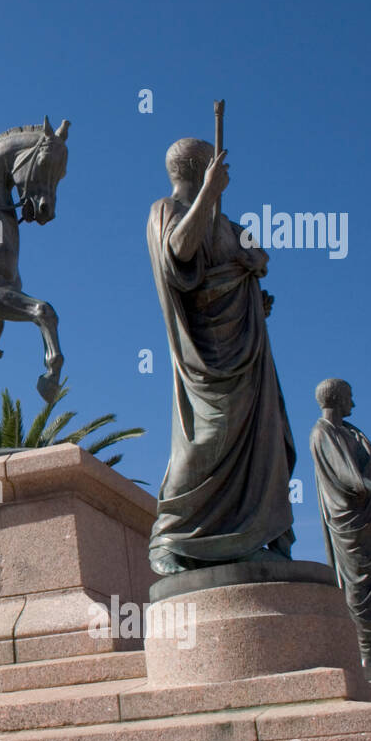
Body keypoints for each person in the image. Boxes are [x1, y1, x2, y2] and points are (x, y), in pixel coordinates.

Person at [146, 137, 296, 575]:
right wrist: (208, 194)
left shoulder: (229, 223)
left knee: (262, 441)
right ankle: (170, 537)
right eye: (214, 166)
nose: (225, 175)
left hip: (248, 349)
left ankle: (243, 536)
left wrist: (252, 296)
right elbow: (178, 254)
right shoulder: (165, 210)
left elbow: (247, 263)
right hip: (209, 357)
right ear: (197, 167)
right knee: (206, 441)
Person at [309, 378, 371, 664]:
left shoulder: (351, 432)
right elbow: (346, 477)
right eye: (349, 397)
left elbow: (359, 472)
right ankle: (368, 653)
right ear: (337, 398)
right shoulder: (322, 432)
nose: (353, 403)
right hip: (351, 523)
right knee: (361, 585)